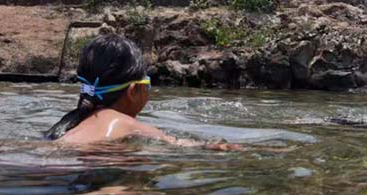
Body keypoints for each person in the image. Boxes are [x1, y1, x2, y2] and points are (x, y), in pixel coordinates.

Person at [46, 34, 238, 149]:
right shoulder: (125, 124)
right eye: (148, 81)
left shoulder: (69, 125)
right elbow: (180, 144)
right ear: (133, 90)